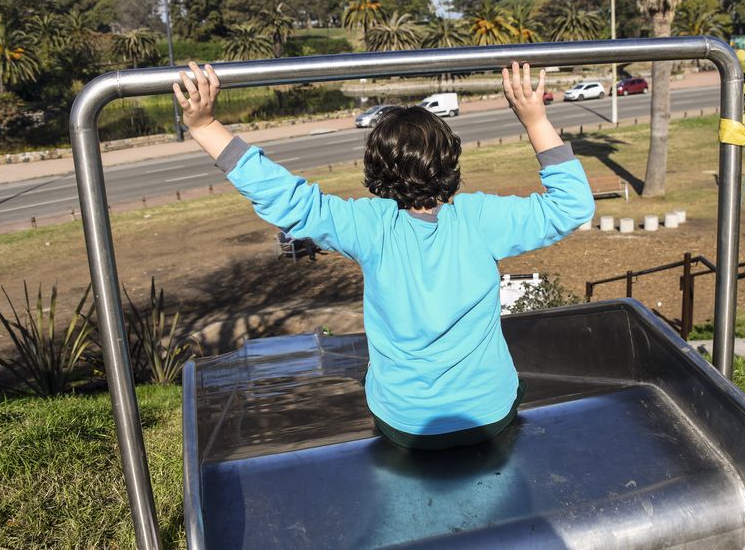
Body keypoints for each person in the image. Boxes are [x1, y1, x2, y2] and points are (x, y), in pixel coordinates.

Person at [173, 60, 594, 450]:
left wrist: (206, 126)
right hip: (489, 414)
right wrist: (535, 119)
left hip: (405, 424)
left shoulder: (369, 226)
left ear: (376, 169)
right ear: (450, 160)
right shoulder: (482, 218)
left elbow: (290, 201)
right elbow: (572, 206)